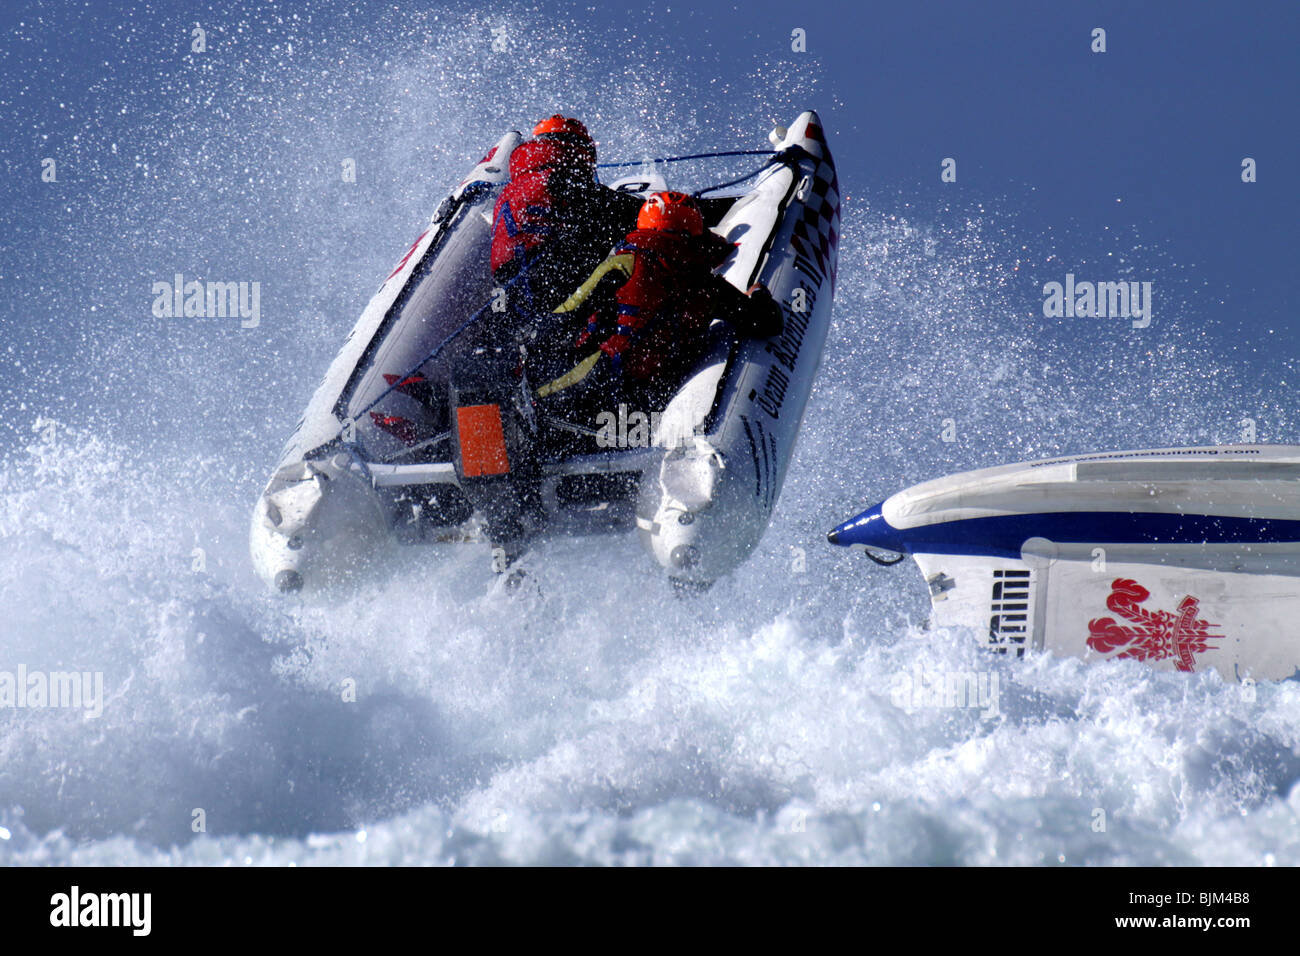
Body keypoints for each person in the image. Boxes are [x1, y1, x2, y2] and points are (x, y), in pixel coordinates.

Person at [531, 190, 784, 420]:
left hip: (590, 387)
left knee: (524, 397)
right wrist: (759, 293)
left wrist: (525, 343)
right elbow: (768, 321)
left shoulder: (624, 262)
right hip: (646, 403)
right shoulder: (706, 286)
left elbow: (567, 314)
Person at [489, 115, 642, 317]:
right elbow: (616, 208)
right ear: (577, 149)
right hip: (546, 279)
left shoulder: (511, 189)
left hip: (505, 289)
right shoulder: (558, 177)